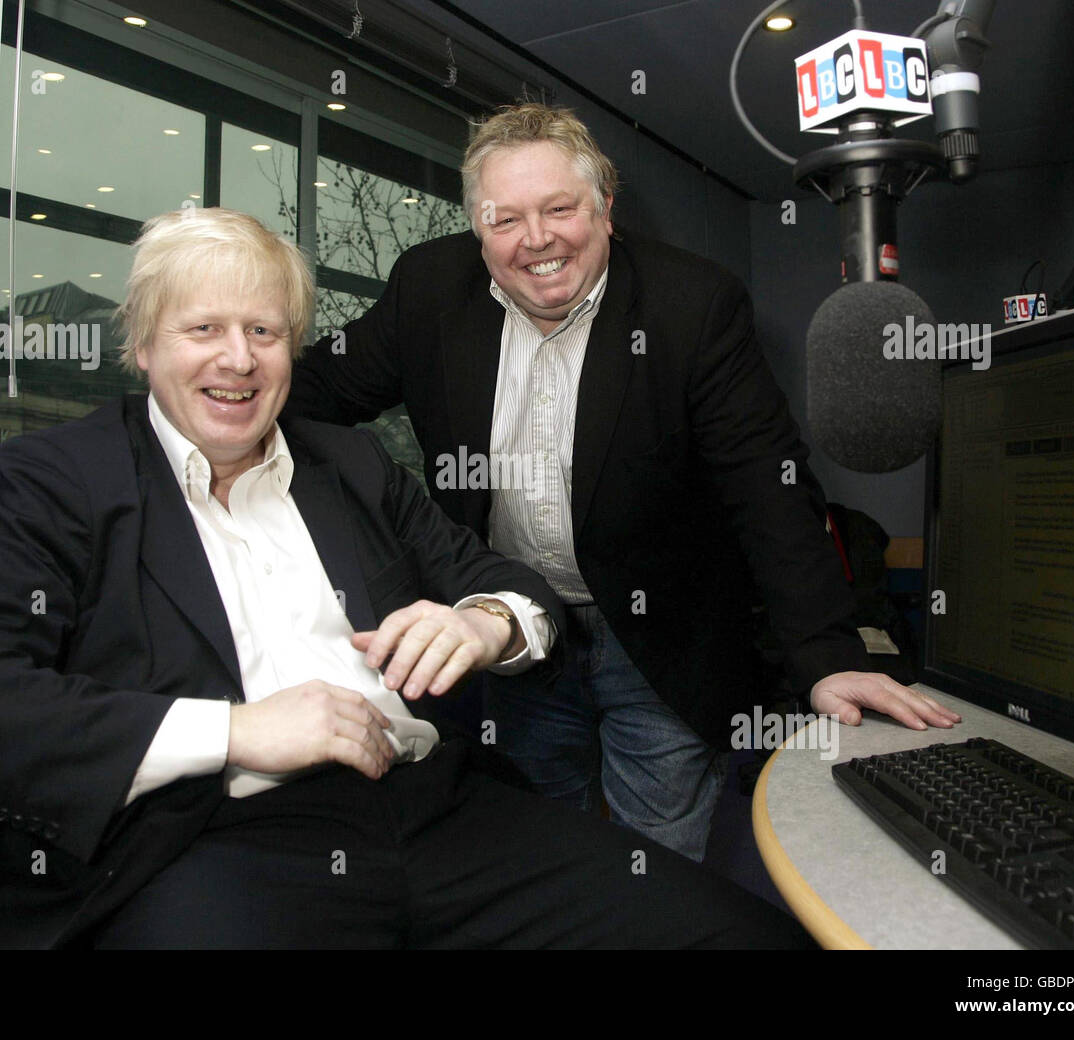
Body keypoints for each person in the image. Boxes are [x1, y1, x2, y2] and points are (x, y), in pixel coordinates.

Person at [0, 206, 811, 949]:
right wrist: (239, 731)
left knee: (739, 937)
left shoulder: (349, 466)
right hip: (198, 841)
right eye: (203, 329)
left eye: (264, 331)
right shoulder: (51, 479)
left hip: (434, 810)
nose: (239, 359)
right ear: (142, 347)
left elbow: (507, 581)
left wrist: (488, 620)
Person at [283, 103, 960, 862]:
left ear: (606, 206)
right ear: (477, 226)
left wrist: (829, 654)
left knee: (659, 865)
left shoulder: (691, 305)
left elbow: (767, 488)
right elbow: (312, 398)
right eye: (504, 219)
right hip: (515, 637)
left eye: (559, 209)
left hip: (664, 636)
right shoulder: (430, 289)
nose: (535, 239)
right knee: (538, 847)